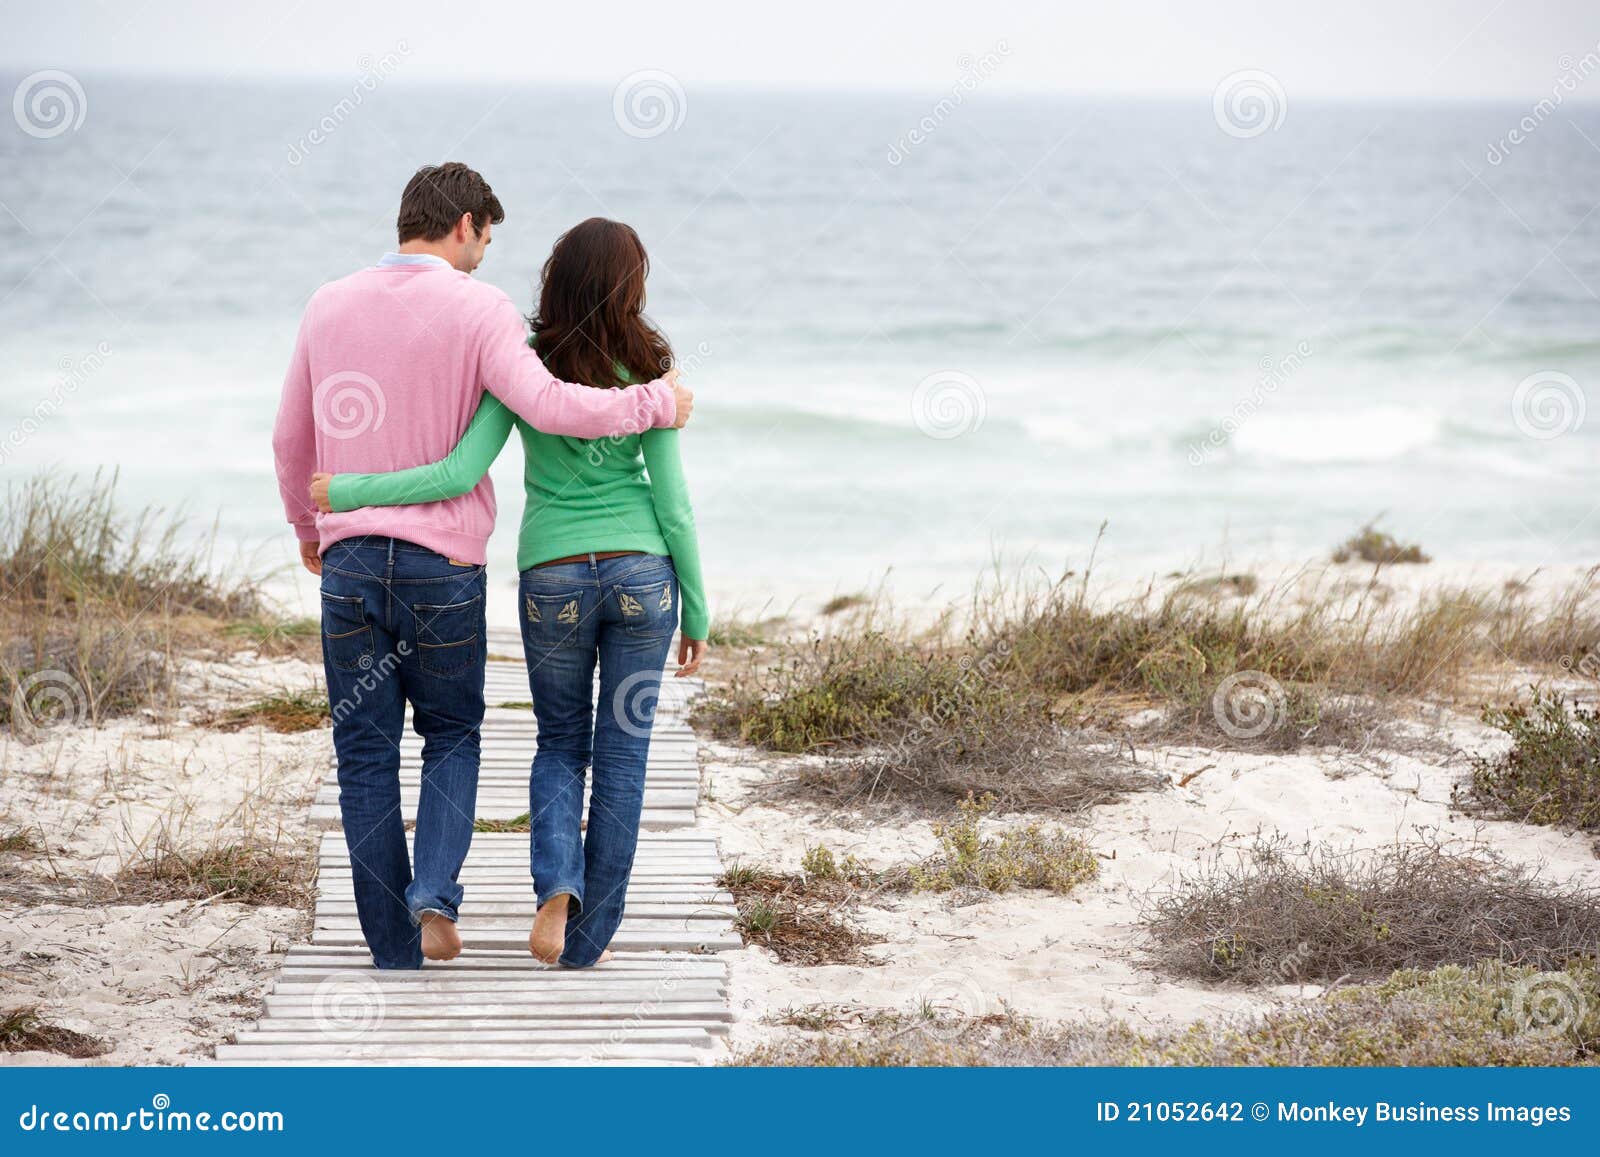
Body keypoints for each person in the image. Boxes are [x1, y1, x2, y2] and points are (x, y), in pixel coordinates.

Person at [271, 167, 693, 971]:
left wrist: (309, 523)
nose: (484, 259)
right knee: (452, 735)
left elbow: (290, 439)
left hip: (353, 563)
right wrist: (655, 403)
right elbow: (555, 407)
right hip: (445, 567)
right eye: (486, 240)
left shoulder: (327, 303)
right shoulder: (482, 311)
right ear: (464, 224)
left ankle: (395, 947)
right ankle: (436, 895)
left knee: (364, 753)